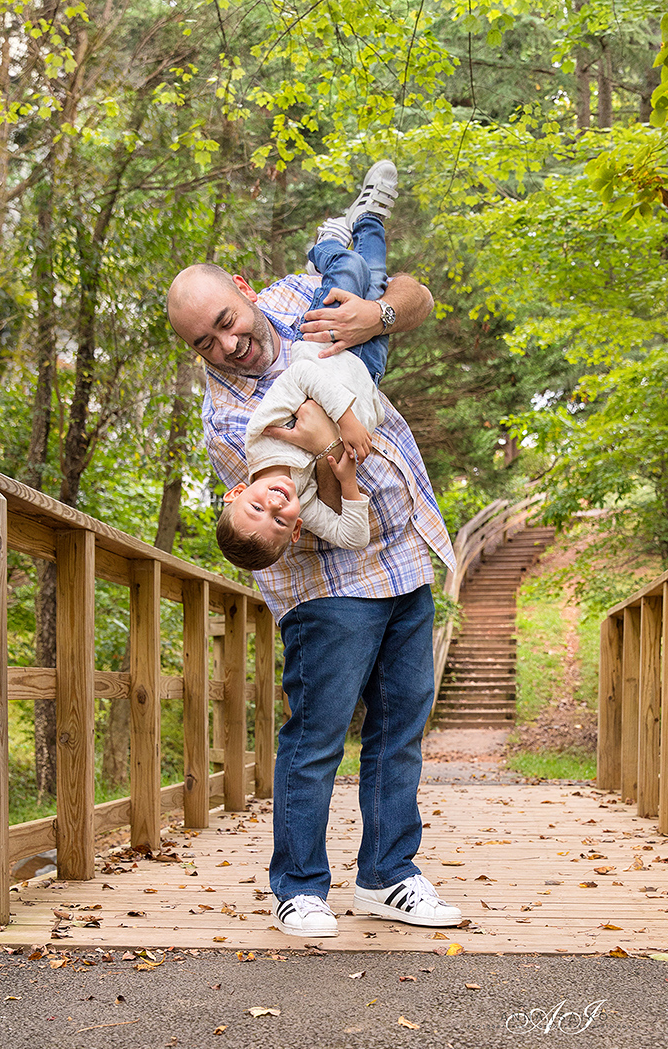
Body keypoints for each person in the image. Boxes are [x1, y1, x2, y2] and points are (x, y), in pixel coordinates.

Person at [167, 162, 462, 938]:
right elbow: (307, 508)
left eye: (229, 318)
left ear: (245, 287)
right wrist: (335, 444)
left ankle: (389, 876)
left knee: (401, 729)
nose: (229, 343)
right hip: (331, 587)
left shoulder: (302, 294)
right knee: (319, 738)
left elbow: (418, 297)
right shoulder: (227, 426)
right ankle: (298, 886)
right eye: (207, 342)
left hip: (404, 554)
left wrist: (376, 318)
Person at [217, 169, 397, 569]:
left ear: (236, 492)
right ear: (296, 529)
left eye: (256, 508)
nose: (275, 505)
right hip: (366, 375)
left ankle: (328, 242)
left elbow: (300, 376)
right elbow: (354, 537)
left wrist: (345, 422)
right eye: (279, 521)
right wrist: (346, 481)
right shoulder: (306, 503)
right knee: (378, 282)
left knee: (348, 270)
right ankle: (370, 218)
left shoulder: (261, 435)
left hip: (325, 348)